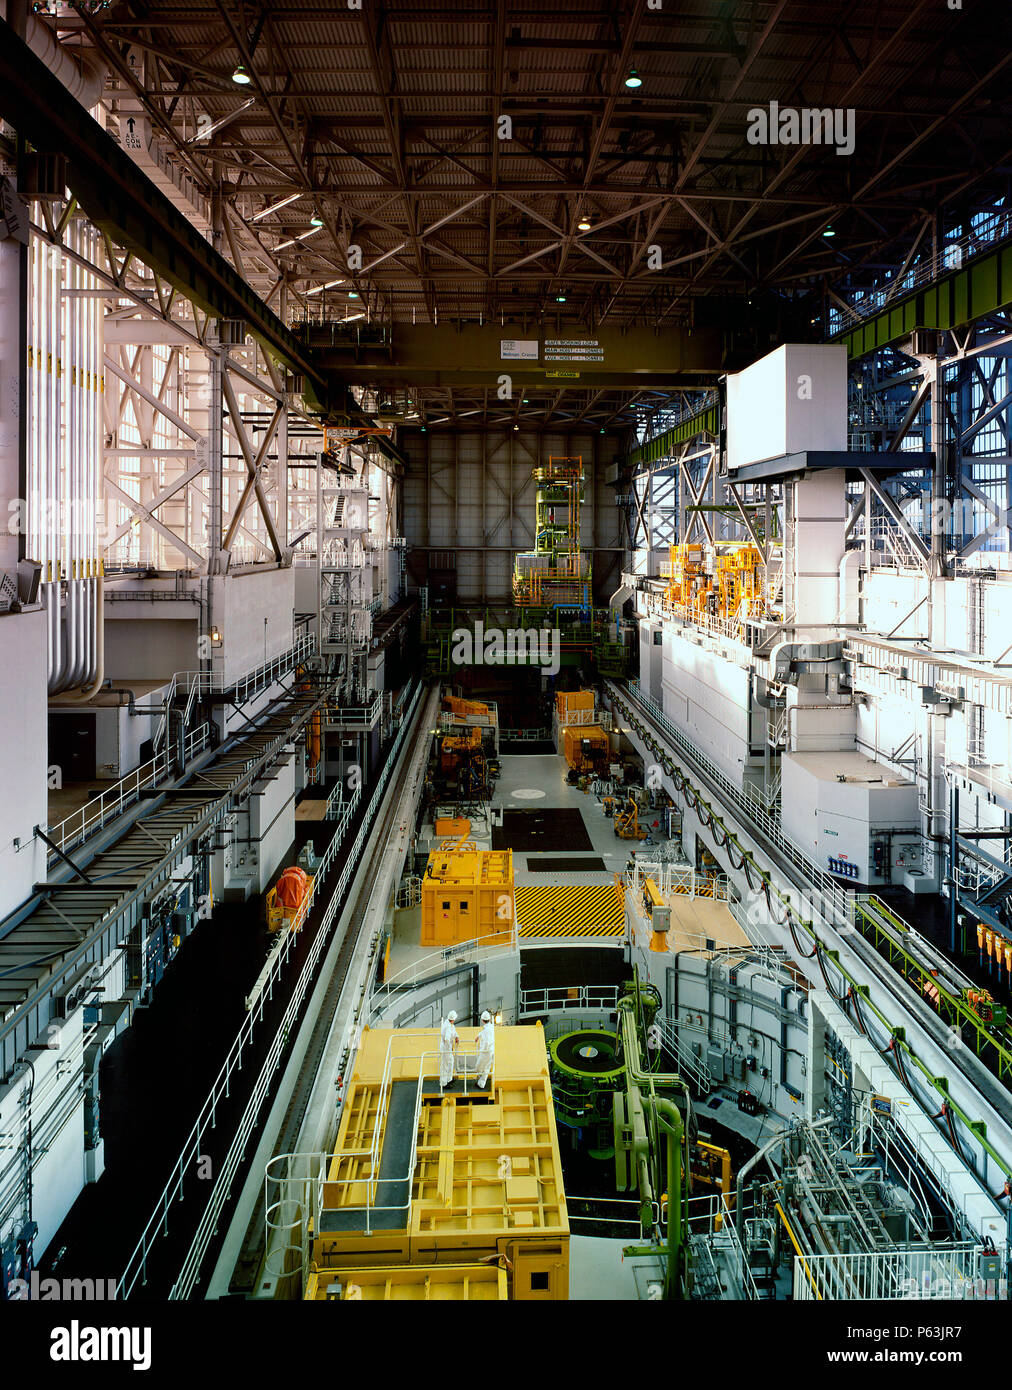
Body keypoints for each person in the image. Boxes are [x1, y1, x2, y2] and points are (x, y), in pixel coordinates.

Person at [476, 1010, 495, 1089]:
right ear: (489, 1020)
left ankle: (480, 1081)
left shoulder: (487, 1029)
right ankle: (481, 1083)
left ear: (482, 1020)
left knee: (478, 1067)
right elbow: (483, 1033)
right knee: (486, 1067)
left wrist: (483, 1050)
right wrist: (478, 1036)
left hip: (486, 1052)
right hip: (490, 1051)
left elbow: (486, 1042)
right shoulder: (490, 1027)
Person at [439, 1010, 459, 1088]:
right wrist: (449, 1049)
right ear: (453, 1019)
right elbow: (447, 1039)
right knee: (445, 1065)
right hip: (446, 1049)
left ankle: (449, 1079)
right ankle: (443, 1083)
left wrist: (456, 1036)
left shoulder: (449, 1024)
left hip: (447, 1048)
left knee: (450, 1062)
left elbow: (453, 1031)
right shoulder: (448, 1027)